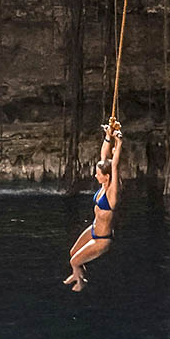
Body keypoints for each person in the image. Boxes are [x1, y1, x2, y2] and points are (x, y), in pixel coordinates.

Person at [63, 118, 122, 292]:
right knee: (72, 254)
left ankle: (80, 282)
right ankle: (77, 274)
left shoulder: (113, 192)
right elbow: (104, 156)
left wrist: (119, 142)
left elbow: (115, 165)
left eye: (98, 174)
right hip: (94, 229)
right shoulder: (104, 185)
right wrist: (107, 136)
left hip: (102, 239)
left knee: (74, 261)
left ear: (107, 176)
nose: (95, 176)